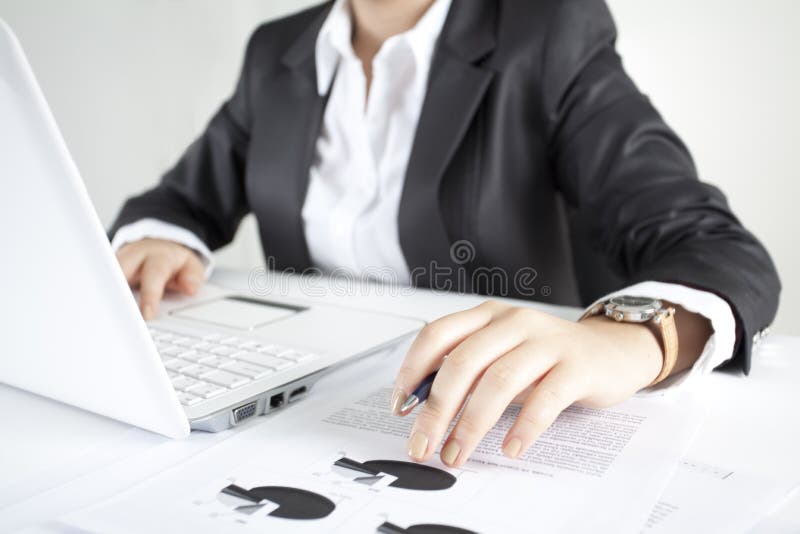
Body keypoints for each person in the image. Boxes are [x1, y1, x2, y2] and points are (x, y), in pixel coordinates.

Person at [110, 0, 780, 468]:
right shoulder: (276, 50)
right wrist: (161, 237)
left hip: (484, 415)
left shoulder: (548, 30)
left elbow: (712, 246)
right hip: (297, 404)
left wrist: (624, 338)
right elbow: (178, 199)